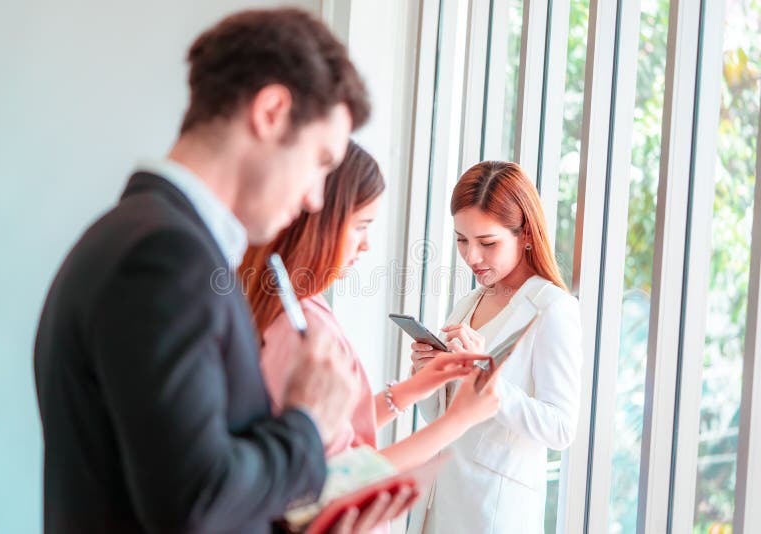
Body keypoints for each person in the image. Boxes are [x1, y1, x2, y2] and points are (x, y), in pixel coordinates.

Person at [33, 8, 404, 533]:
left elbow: (187, 486)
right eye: (321, 160)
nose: (316, 198)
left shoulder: (139, 235)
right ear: (271, 111)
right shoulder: (164, 256)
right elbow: (194, 502)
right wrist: (307, 423)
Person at [240, 142, 504, 477]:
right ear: (319, 219)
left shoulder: (301, 302)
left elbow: (338, 430)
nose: (366, 245)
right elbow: (338, 477)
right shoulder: (300, 327)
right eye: (361, 225)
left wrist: (417, 386)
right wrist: (458, 420)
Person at [406, 161, 583, 533]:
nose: (472, 257)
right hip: (437, 504)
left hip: (493, 513)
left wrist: (489, 379)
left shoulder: (553, 309)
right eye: (461, 240)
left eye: (487, 243)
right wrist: (427, 376)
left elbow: (561, 428)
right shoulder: (468, 304)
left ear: (526, 235)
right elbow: (443, 418)